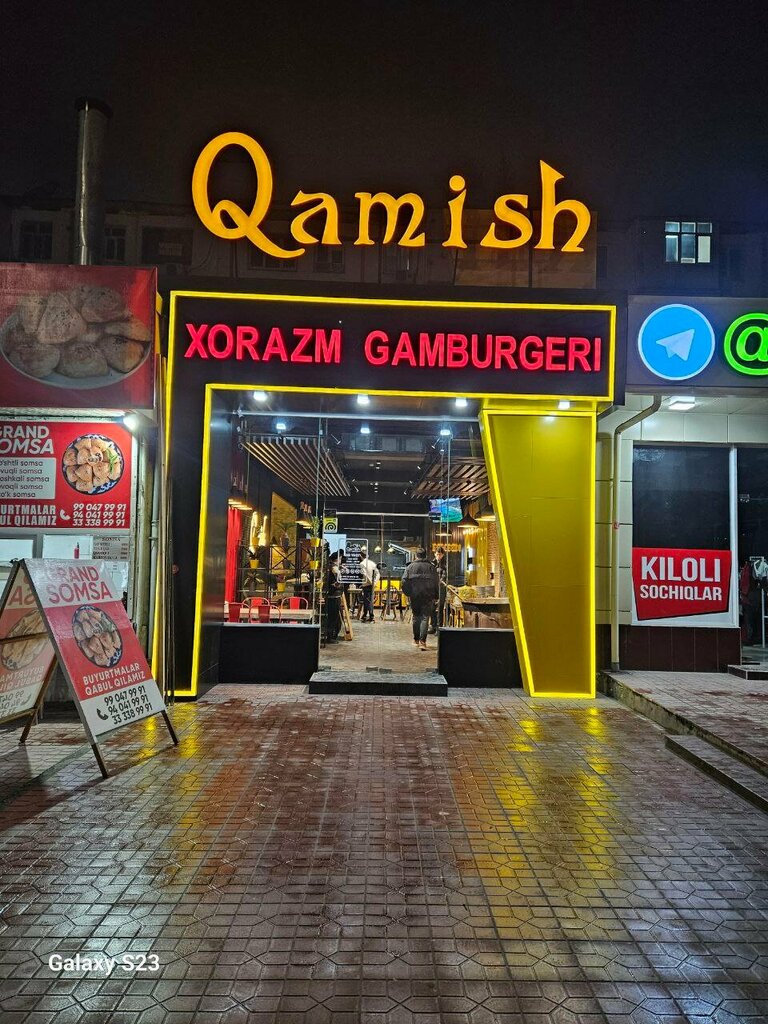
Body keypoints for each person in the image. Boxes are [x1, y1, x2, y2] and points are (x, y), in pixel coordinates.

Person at [401, 547, 439, 650]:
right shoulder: (431, 567)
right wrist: (436, 595)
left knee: (416, 616)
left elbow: (404, 581)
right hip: (428, 596)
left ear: (416, 556)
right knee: (425, 617)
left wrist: (408, 593)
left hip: (415, 595)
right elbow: (436, 582)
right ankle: (423, 641)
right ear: (425, 555)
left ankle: (416, 640)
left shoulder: (410, 567)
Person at [323, 551, 342, 644]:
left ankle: (331, 636)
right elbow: (338, 582)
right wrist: (337, 584)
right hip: (333, 596)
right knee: (333, 617)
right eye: (340, 558)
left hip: (331, 596)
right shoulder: (334, 568)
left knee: (333, 618)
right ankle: (330, 637)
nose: (341, 560)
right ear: (337, 559)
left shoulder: (330, 567)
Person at [429, 546, 447, 634]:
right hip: (432, 589)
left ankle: (439, 628)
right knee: (432, 608)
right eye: (437, 554)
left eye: (440, 554)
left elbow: (445, 575)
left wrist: (441, 580)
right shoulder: (432, 563)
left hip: (441, 589)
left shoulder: (445, 564)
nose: (438, 556)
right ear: (434, 554)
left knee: (440, 608)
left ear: (443, 555)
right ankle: (433, 626)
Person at [359, 548, 379, 622]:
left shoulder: (362, 564)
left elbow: (365, 575)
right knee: (369, 600)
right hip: (371, 584)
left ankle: (369, 616)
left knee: (367, 601)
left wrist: (370, 582)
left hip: (366, 585)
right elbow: (378, 574)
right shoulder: (372, 563)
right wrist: (374, 582)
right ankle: (366, 615)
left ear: (361, 556)